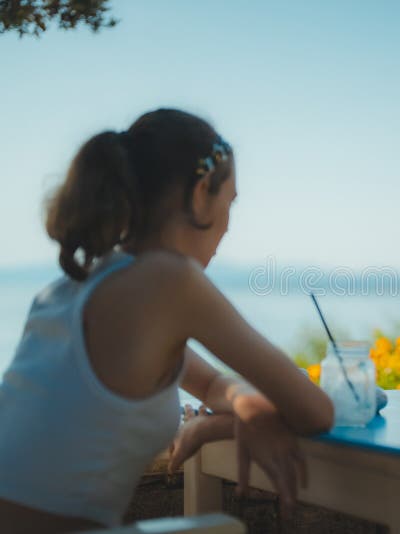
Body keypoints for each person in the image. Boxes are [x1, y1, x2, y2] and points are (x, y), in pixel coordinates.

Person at [0, 108, 334, 533]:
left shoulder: (77, 287)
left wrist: (231, 417)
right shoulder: (172, 279)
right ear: (201, 193)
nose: (229, 226)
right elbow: (315, 411)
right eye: (229, 201)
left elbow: (211, 385)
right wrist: (236, 418)